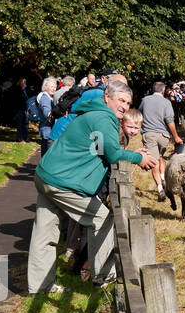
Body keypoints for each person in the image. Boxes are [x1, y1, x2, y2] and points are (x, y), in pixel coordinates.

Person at [28, 81, 156, 294]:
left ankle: (39, 286)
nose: (124, 106)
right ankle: (103, 275)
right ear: (108, 97)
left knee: (44, 232)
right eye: (121, 100)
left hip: (46, 175)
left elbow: (97, 147)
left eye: (128, 102)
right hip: (61, 182)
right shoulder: (104, 116)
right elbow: (113, 154)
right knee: (102, 219)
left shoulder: (93, 112)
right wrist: (137, 157)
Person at [139, 82, 182, 201]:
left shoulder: (145, 100)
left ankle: (160, 188)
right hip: (163, 135)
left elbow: (139, 114)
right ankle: (163, 178)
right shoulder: (166, 102)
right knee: (160, 157)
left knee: (154, 161)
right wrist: (176, 137)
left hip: (149, 134)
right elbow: (170, 121)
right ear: (163, 91)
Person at [33, 76, 57, 155]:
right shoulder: (45, 98)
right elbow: (46, 112)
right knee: (46, 154)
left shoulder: (50, 97)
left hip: (48, 128)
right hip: (47, 129)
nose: (54, 89)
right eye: (51, 86)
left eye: (55, 87)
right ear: (45, 87)